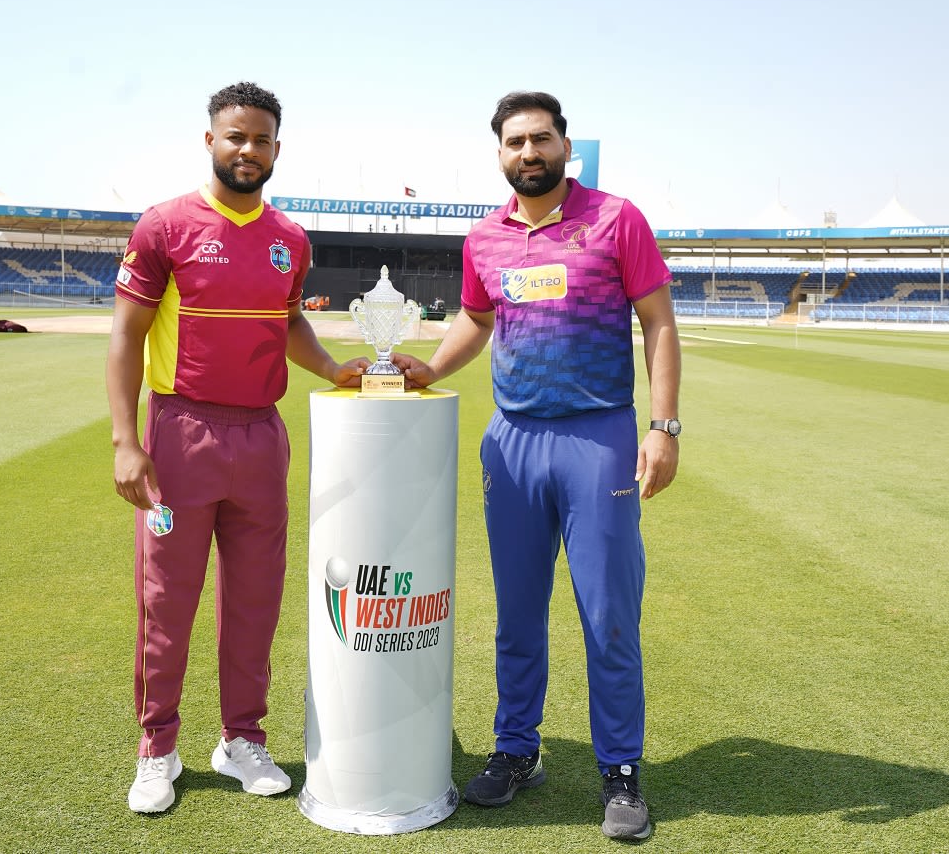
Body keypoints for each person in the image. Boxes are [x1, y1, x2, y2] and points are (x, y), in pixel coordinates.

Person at [392, 91, 681, 841]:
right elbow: (477, 320)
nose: (529, 152)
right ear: (499, 153)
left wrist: (663, 426)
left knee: (608, 614)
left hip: (599, 439)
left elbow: (658, 322)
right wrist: (429, 369)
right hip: (513, 443)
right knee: (518, 614)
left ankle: (621, 770)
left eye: (541, 139)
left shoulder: (616, 218)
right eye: (516, 141)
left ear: (564, 145)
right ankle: (518, 748)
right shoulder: (484, 238)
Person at [107, 81, 367, 814]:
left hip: (260, 437)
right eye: (234, 136)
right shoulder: (164, 226)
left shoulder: (290, 240)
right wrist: (127, 441)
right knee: (167, 600)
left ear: (277, 149)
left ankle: (241, 737)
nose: (247, 150)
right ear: (211, 140)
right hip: (180, 435)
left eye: (260, 139)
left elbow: (289, 328)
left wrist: (337, 368)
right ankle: (157, 746)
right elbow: (126, 335)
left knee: (254, 600)